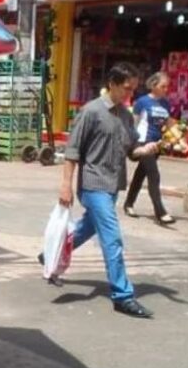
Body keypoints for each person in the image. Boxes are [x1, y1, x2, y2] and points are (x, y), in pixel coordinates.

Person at [54, 64, 161, 319]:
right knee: (112, 239)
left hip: (113, 185)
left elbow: (131, 150)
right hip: (93, 185)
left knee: (85, 229)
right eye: (126, 88)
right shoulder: (91, 111)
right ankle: (123, 296)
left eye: (133, 90)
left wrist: (146, 149)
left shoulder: (125, 115)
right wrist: (66, 185)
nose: (130, 94)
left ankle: (50, 255)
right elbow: (72, 151)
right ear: (112, 83)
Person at [123, 72, 175, 224]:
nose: (166, 89)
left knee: (141, 174)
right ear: (153, 85)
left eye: (167, 86)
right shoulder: (142, 102)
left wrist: (175, 138)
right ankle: (160, 212)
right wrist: (132, 144)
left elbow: (168, 124)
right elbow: (133, 123)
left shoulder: (166, 104)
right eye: (163, 86)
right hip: (143, 142)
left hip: (156, 144)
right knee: (154, 175)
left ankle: (128, 204)